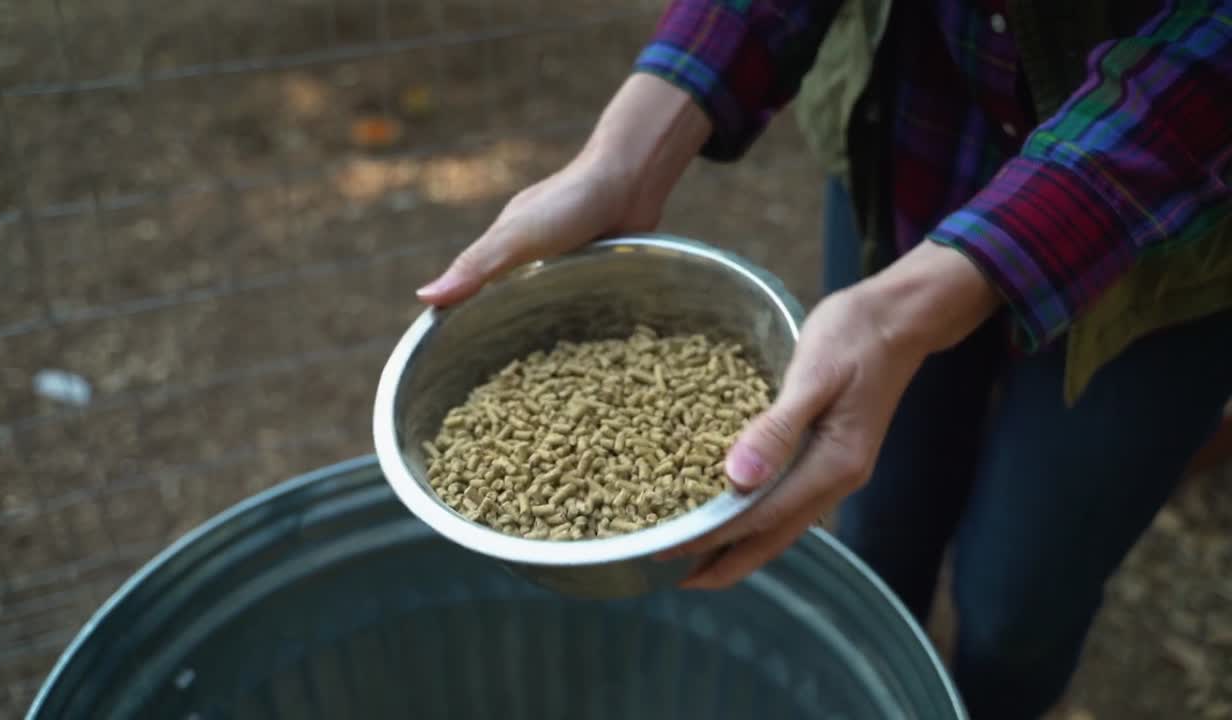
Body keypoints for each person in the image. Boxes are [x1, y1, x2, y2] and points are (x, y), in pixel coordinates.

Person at [416, 2, 1232, 717]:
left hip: (1162, 227)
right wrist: (624, 155)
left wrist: (895, 317)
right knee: (880, 515)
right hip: (918, 142)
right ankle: (876, 691)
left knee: (1018, 598)